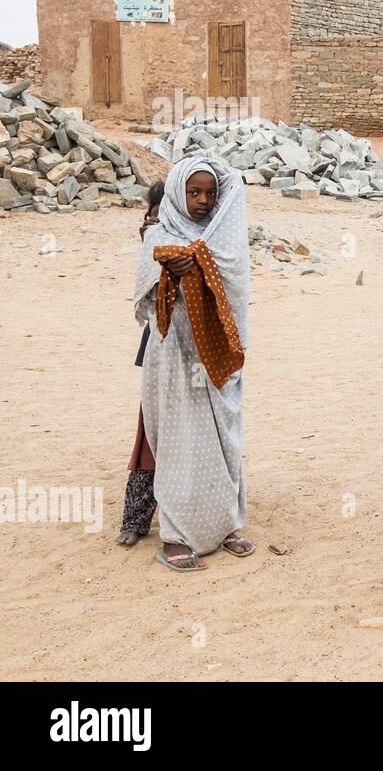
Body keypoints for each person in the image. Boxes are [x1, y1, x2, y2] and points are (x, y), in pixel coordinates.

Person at [133, 158, 252, 571]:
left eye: (210, 193)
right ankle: (175, 537)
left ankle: (226, 526)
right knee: (180, 444)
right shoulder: (159, 237)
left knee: (225, 441)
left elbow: (234, 288)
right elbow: (143, 300)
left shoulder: (225, 238)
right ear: (177, 194)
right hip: (174, 357)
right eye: (194, 192)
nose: (203, 201)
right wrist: (169, 270)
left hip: (217, 356)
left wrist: (198, 262)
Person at [117, 181, 167, 548]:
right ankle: (136, 519)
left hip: (196, 355)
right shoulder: (154, 240)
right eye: (153, 213)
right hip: (159, 348)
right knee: (148, 434)